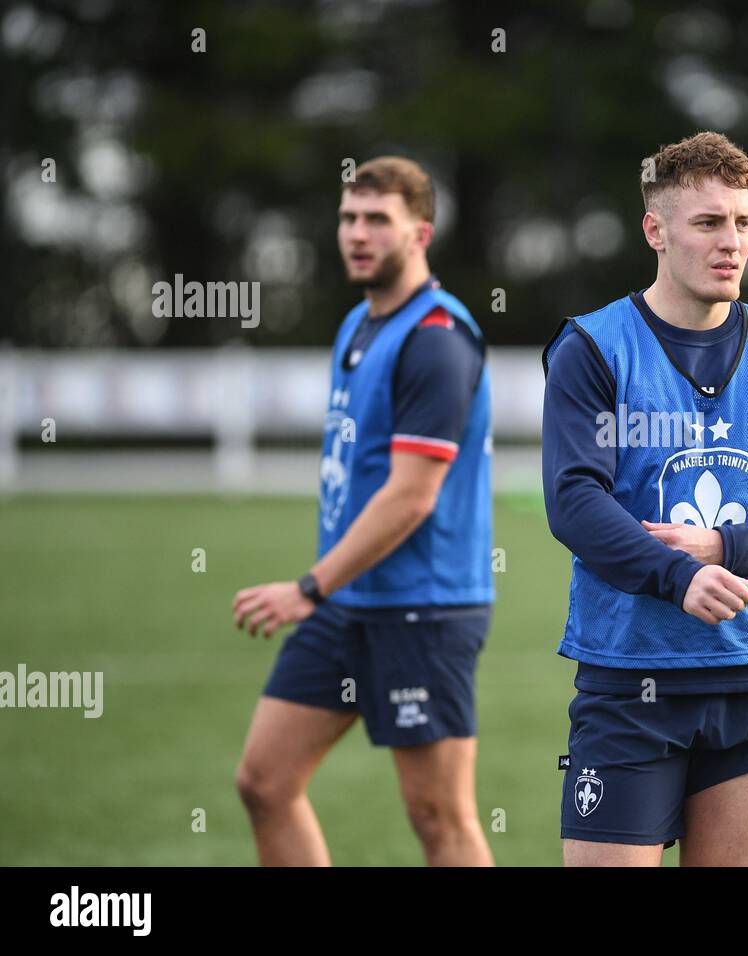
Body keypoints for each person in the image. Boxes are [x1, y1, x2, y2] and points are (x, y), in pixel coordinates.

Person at [542, 131, 748, 866]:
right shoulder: (591, 348)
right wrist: (679, 577)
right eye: (709, 223)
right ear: (656, 231)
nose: (733, 244)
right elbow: (574, 502)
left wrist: (725, 548)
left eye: (744, 223)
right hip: (631, 679)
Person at [232, 156, 494, 866]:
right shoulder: (357, 323)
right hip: (349, 601)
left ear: (420, 234)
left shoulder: (437, 339)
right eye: (349, 217)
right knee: (264, 781)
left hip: (423, 607)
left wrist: (308, 587)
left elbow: (411, 496)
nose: (357, 233)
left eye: (378, 219)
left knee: (439, 819)